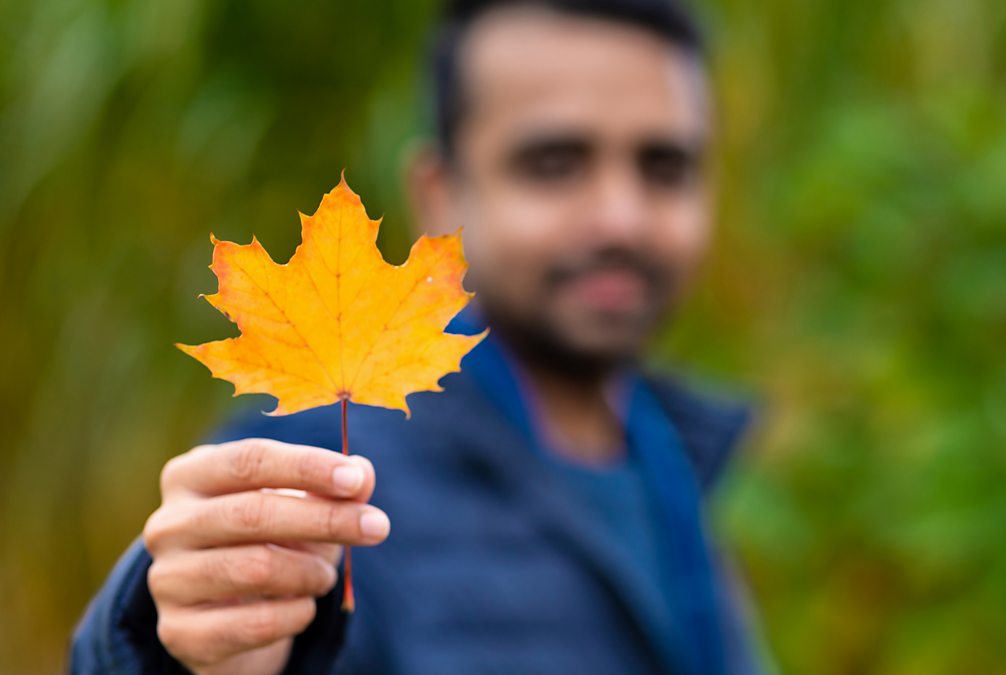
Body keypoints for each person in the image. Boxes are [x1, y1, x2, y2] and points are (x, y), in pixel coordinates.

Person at [71, 0, 766, 673]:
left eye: (664, 168)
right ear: (439, 197)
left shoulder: (678, 459)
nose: (620, 218)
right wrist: (178, 652)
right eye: (554, 164)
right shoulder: (315, 473)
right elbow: (206, 627)